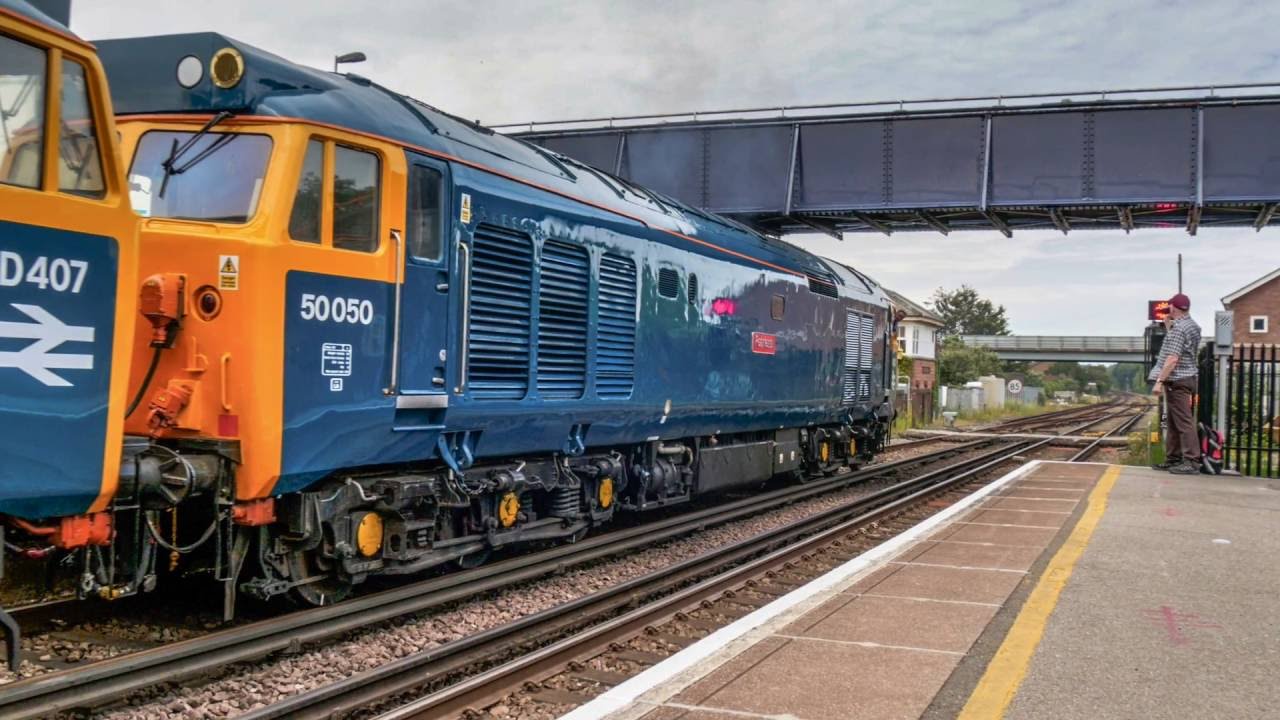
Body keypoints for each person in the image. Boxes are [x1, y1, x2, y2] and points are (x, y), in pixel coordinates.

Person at [1149, 293, 1202, 474]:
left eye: (1170, 308)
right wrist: (1169, 328)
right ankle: (1173, 459)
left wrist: (1159, 381)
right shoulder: (1192, 326)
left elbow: (1172, 359)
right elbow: (1185, 349)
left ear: (1173, 307)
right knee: (1173, 422)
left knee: (1183, 422)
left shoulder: (1179, 329)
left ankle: (1191, 461)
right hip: (1187, 377)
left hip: (1177, 380)